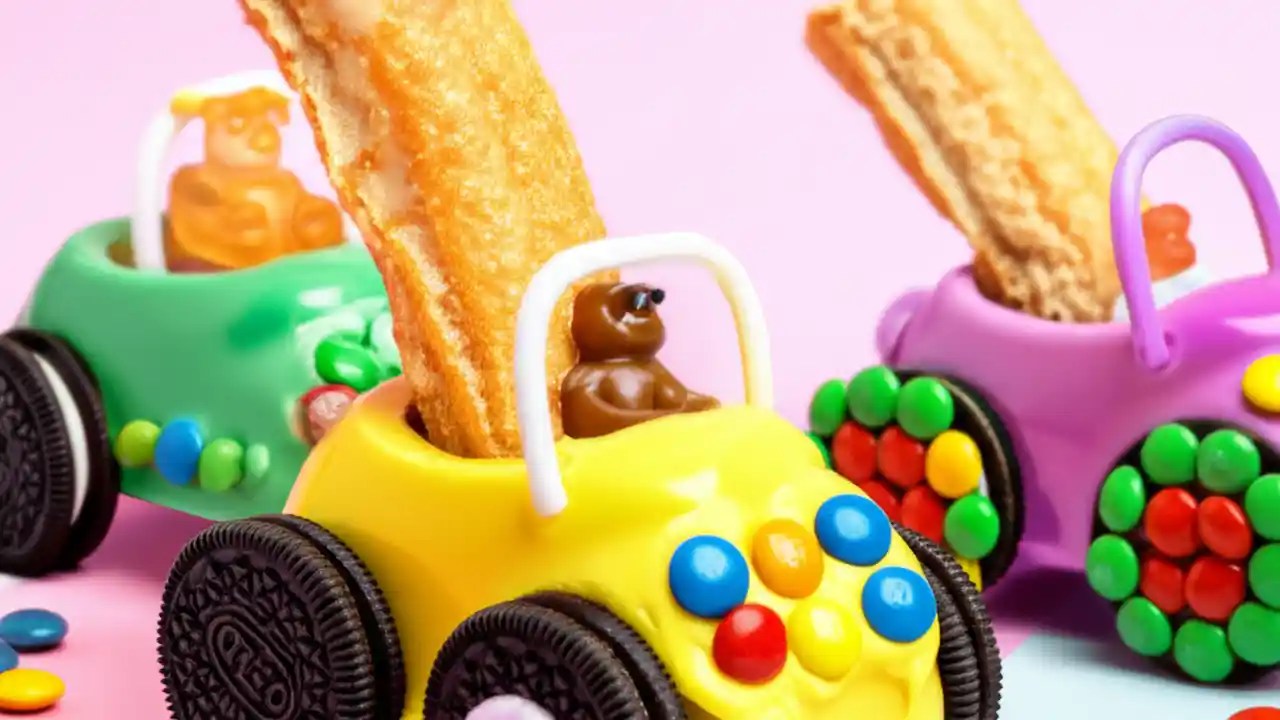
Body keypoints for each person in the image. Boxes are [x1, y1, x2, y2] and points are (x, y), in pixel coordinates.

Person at [561, 282, 719, 438]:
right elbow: (590, 420)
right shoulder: (588, 376)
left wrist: (703, 405)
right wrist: (660, 420)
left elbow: (678, 397)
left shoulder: (652, 368)